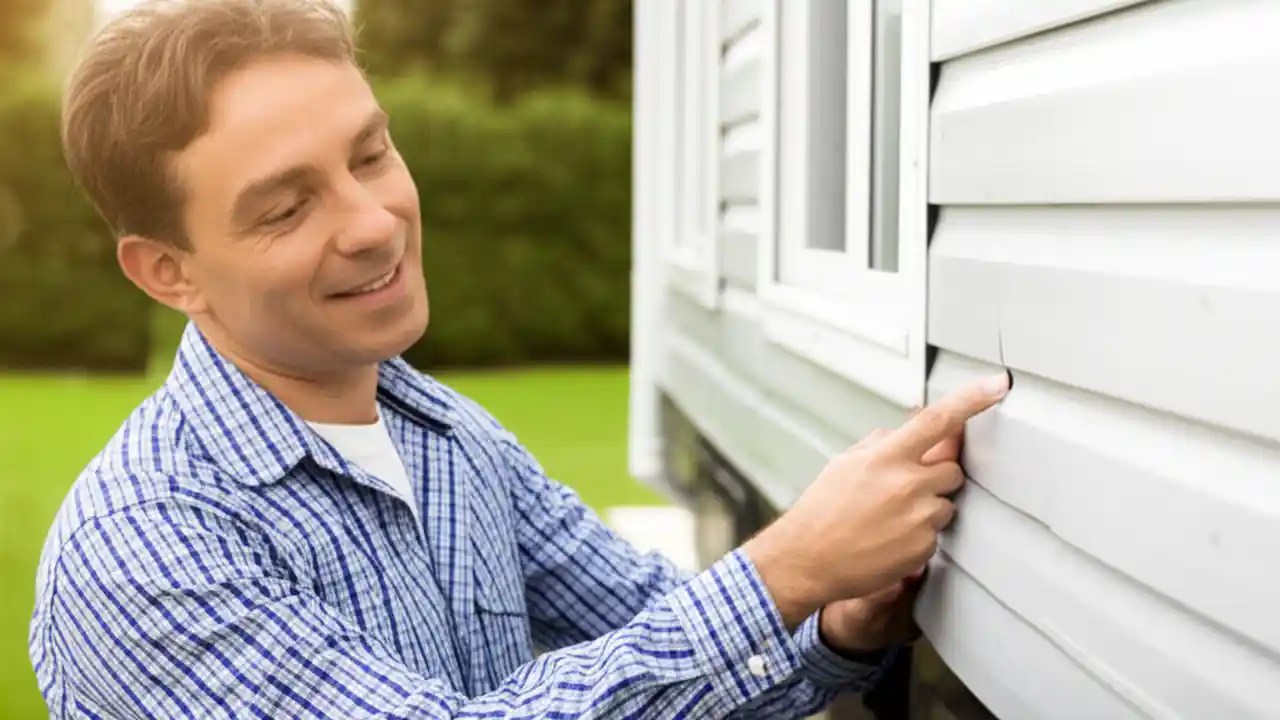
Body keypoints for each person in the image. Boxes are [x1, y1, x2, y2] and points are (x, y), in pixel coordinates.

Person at [28, 1, 1010, 717]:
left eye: (370, 156)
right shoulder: (145, 545)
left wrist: (832, 625)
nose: (373, 223)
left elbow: (673, 652)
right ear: (167, 272)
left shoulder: (451, 440)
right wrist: (779, 568)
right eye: (287, 208)